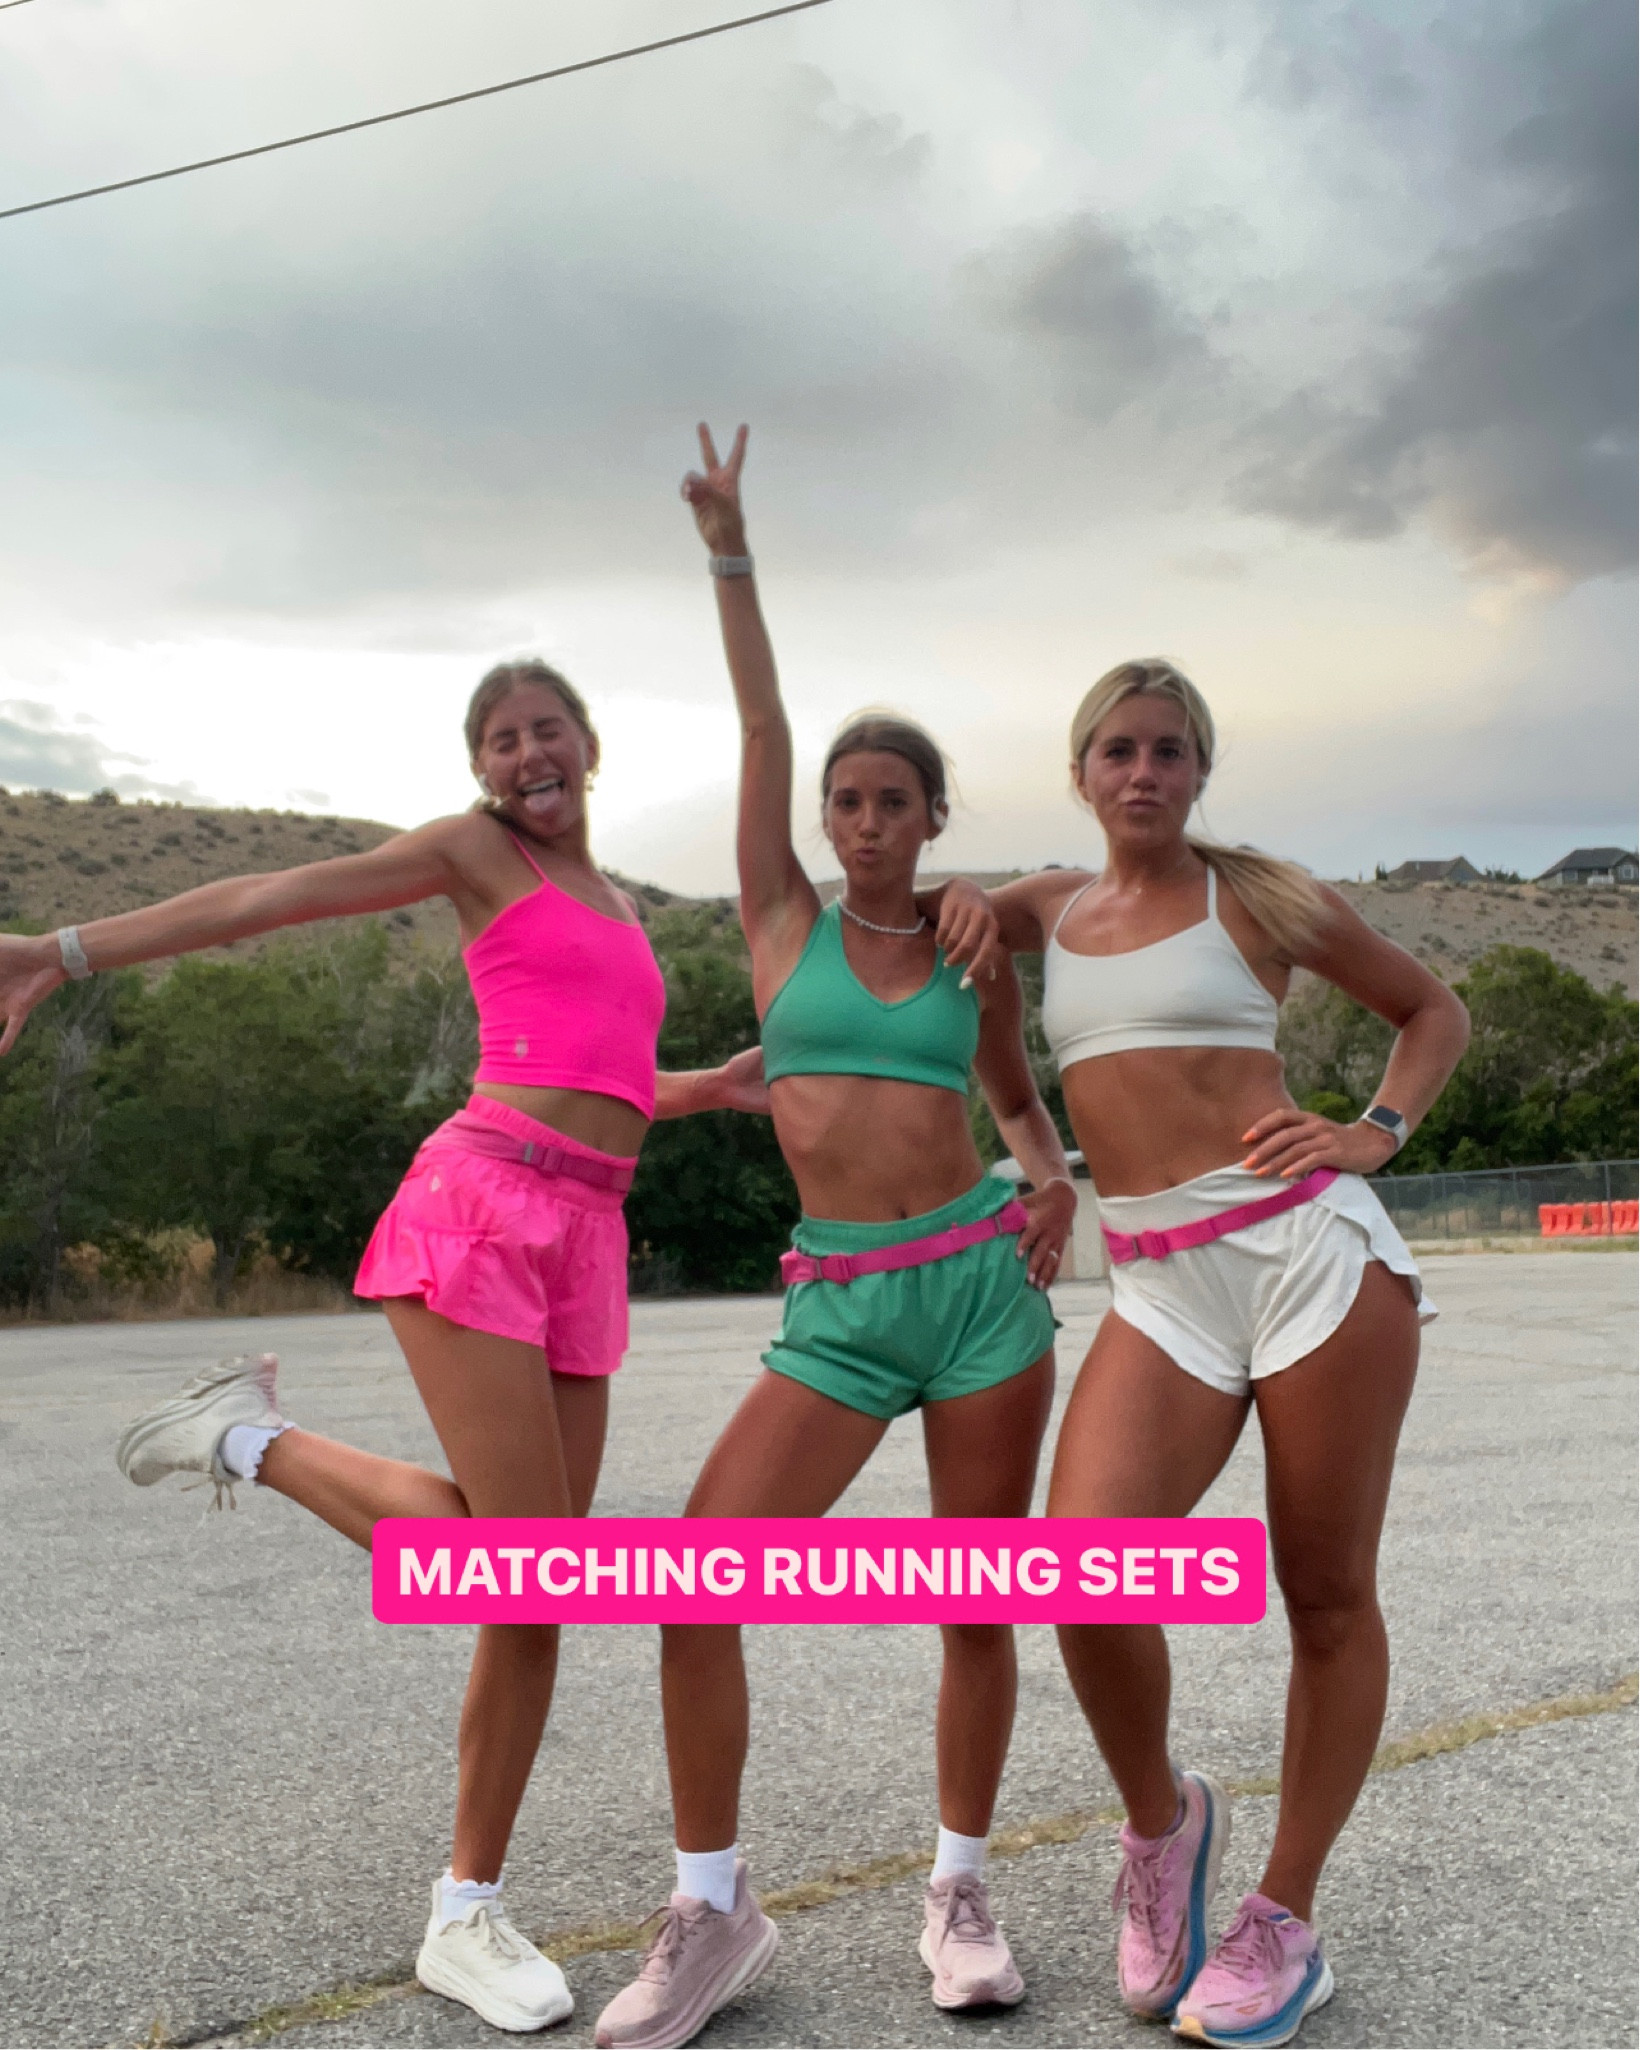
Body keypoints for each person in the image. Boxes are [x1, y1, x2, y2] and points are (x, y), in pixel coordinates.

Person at [0, 659, 771, 2036]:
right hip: (485, 1203)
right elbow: (273, 896)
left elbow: (598, 1077)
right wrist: (60, 954)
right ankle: (250, 1437)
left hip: (587, 1233)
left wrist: (705, 1088)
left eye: (546, 728)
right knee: (525, 1571)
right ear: (483, 768)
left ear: (589, 743)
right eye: (501, 738)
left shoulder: (613, 902)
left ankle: (463, 1911)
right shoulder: (475, 852)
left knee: (533, 1592)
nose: (527, 752)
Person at [592, 427, 1078, 2050]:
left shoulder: (973, 949)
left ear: (933, 816)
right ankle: (712, 1907)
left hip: (982, 1294)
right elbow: (759, 719)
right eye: (846, 801)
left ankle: (960, 1892)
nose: (866, 820)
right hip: (843, 1307)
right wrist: (729, 552)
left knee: (976, 1604)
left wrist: (1051, 1180)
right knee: (693, 1588)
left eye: (894, 802)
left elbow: (1019, 1104)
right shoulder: (779, 917)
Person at [983, 658, 1470, 2048]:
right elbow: (903, 921)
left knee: (1325, 1591)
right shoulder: (1040, 911)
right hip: (1160, 1285)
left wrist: (1373, 1130)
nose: (1144, 772)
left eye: (1170, 750)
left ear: (1199, 771)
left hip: (1311, 1258)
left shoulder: (1258, 897)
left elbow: (1433, 1011)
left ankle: (1282, 1923)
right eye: (1120, 749)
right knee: (1080, 1573)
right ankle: (1165, 1827)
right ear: (1081, 770)